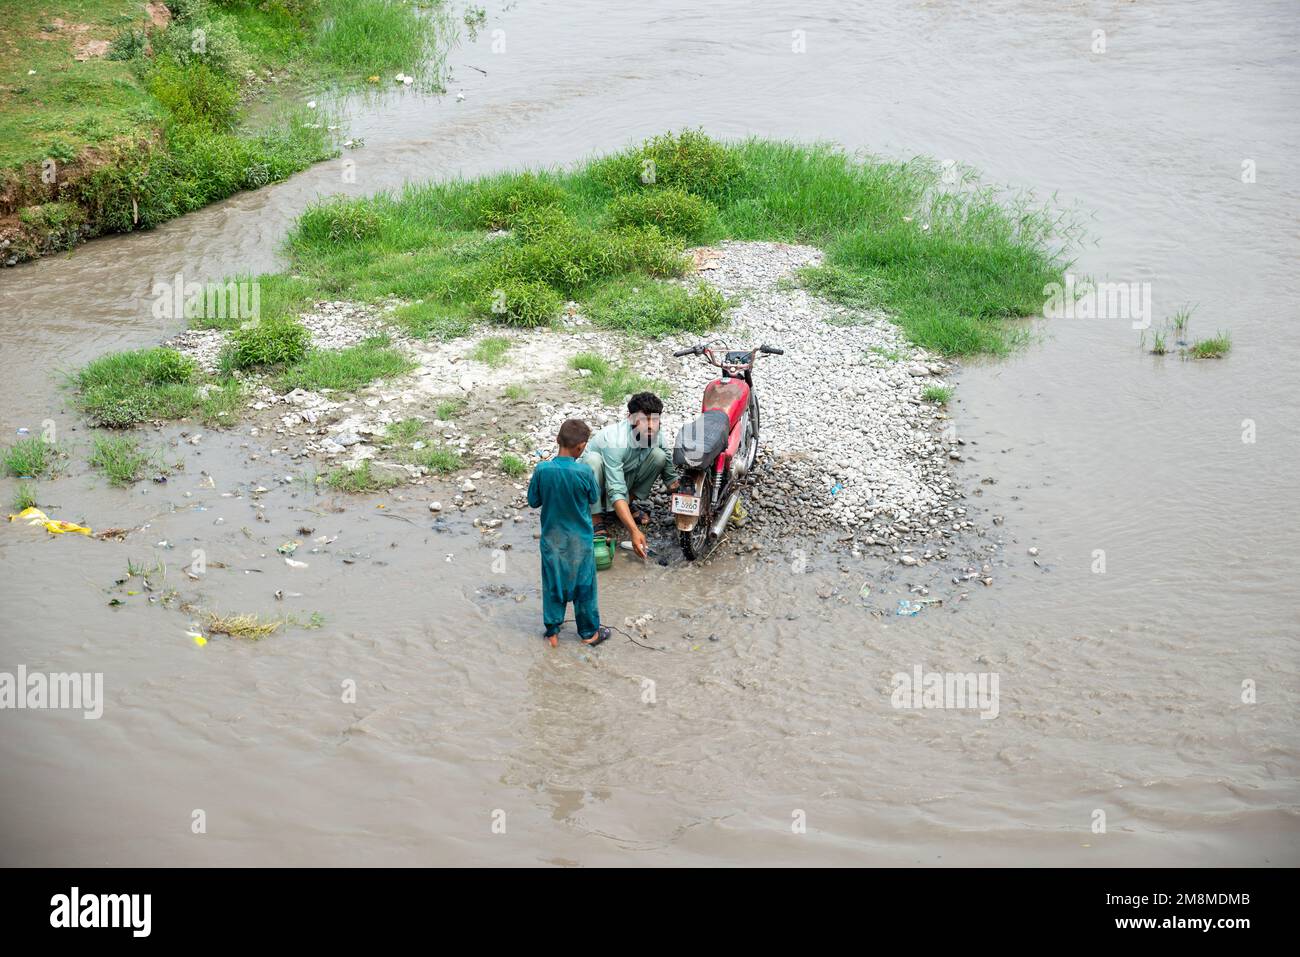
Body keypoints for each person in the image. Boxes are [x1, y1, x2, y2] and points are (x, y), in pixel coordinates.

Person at [526, 418, 612, 648]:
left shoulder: (542, 470)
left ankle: (552, 633)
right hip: (580, 542)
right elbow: (593, 498)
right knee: (585, 588)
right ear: (581, 447)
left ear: (557, 440)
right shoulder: (584, 472)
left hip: (551, 541)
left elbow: (533, 501)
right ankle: (588, 633)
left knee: (553, 584)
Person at [581, 391, 680, 559]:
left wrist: (687, 495)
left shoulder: (656, 436)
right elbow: (615, 489)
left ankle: (626, 505)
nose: (650, 426)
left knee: (659, 456)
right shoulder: (615, 441)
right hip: (596, 486)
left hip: (621, 480)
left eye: (654, 420)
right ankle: (595, 518)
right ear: (631, 419)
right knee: (593, 460)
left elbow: (670, 475)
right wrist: (634, 531)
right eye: (644, 420)